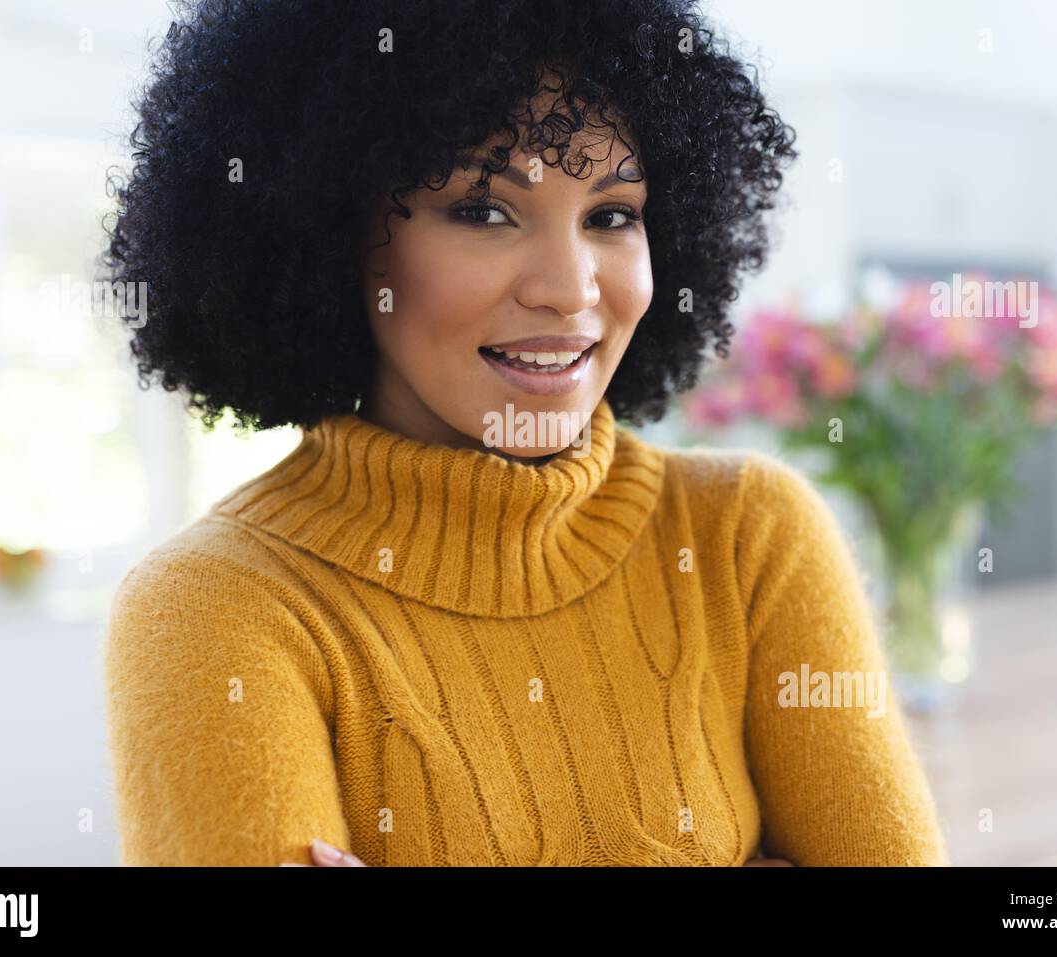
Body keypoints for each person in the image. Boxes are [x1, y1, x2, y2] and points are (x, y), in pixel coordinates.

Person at [101, 0, 949, 867]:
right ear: (328, 232)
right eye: (483, 210)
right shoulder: (216, 609)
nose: (571, 289)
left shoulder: (746, 537)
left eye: (612, 215)